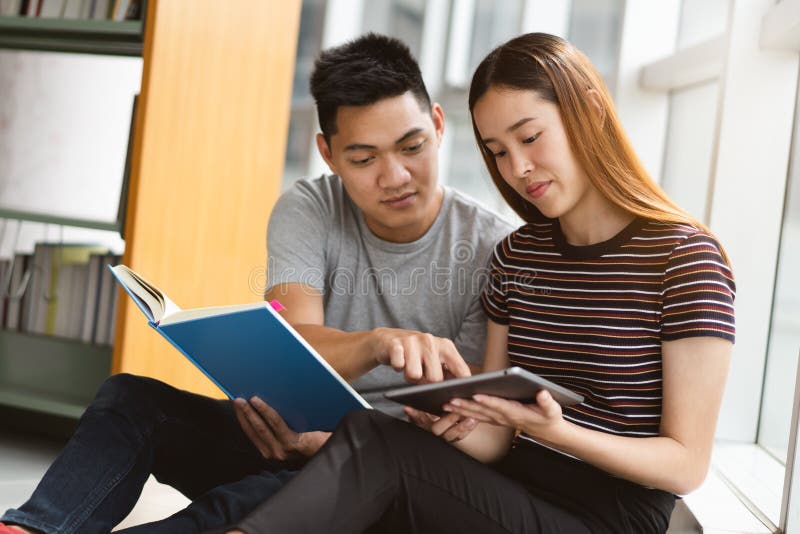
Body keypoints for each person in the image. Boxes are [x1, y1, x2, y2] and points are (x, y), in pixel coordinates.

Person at [219, 32, 736, 534]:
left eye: (530, 138)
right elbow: (494, 440)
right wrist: (455, 424)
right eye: (497, 151)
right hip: (505, 492)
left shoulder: (683, 258)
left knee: (369, 447)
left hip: (603, 516)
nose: (518, 168)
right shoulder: (514, 255)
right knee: (359, 441)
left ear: (591, 112)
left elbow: (686, 465)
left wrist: (556, 432)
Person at [0, 33, 512, 534]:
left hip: (380, 478)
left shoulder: (492, 249)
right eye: (363, 158)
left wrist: (332, 446)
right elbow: (294, 342)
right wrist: (378, 343)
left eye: (411, 146)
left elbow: (470, 430)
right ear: (329, 155)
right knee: (130, 401)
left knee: (239, 504)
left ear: (439, 125)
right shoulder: (310, 207)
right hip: (283, 437)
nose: (395, 175)